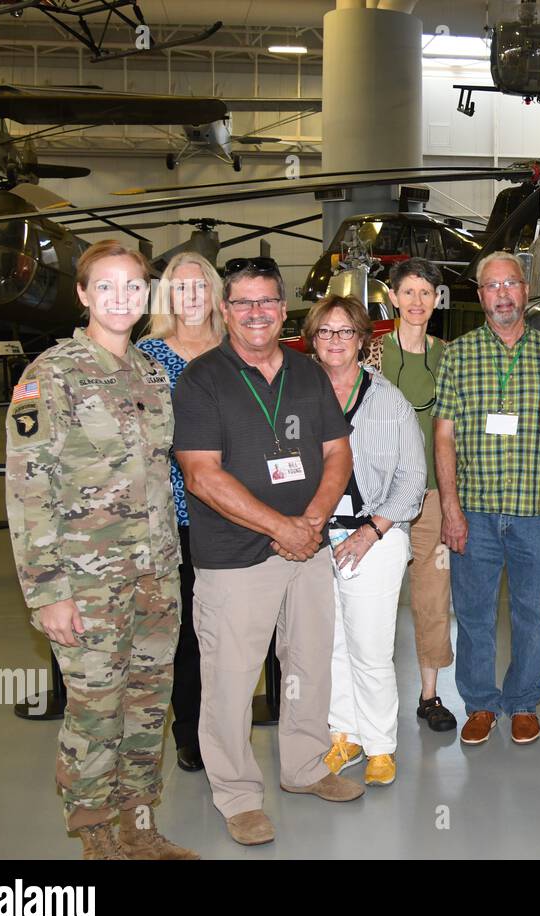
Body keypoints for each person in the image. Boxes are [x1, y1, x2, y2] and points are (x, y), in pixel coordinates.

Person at [5, 239, 196, 859]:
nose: (121, 298)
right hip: (87, 582)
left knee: (147, 703)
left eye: (133, 287)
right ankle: (96, 839)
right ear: (84, 295)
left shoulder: (150, 372)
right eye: (106, 287)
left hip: (155, 573)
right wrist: (47, 595)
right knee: (94, 710)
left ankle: (139, 828)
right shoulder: (50, 375)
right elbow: (29, 492)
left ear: (146, 296)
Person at [173, 256, 362, 847]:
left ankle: (305, 766)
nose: (257, 313)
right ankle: (236, 794)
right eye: (244, 303)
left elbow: (337, 453)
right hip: (234, 557)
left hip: (307, 549)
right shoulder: (202, 378)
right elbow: (201, 476)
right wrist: (281, 526)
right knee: (229, 679)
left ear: (284, 310)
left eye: (268, 302)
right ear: (226, 311)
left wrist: (310, 521)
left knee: (307, 664)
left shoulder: (307, 374)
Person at [433, 251, 540, 746]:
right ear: (480, 295)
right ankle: (481, 703)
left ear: (526, 291)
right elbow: (443, 436)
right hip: (476, 512)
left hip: (536, 511)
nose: (503, 294)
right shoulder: (459, 355)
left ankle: (524, 702)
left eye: (511, 283)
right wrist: (450, 509)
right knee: (474, 616)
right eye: (492, 286)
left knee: (533, 614)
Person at [309, 294, 425, 786]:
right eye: (325, 332)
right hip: (314, 538)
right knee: (330, 644)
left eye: (345, 332)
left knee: (370, 648)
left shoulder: (388, 400)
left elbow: (412, 481)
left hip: (375, 536)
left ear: (362, 340)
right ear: (313, 341)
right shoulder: (299, 395)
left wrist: (371, 530)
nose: (335, 341)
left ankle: (380, 745)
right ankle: (346, 734)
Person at [137, 251, 225, 773]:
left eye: (200, 286)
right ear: (167, 295)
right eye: (180, 287)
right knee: (189, 628)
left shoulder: (237, 347)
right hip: (179, 515)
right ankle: (189, 731)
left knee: (236, 627)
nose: (191, 297)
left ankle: (229, 729)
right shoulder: (147, 355)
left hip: (238, 511)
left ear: (214, 293)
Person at [363, 258, 456, 732]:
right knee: (372, 597)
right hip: (378, 499)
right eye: (410, 292)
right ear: (393, 298)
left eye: (427, 293)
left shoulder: (450, 356)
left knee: (432, 596)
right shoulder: (369, 355)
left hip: (432, 495)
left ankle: (429, 694)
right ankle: (369, 695)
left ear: (436, 300)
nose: (418, 301)